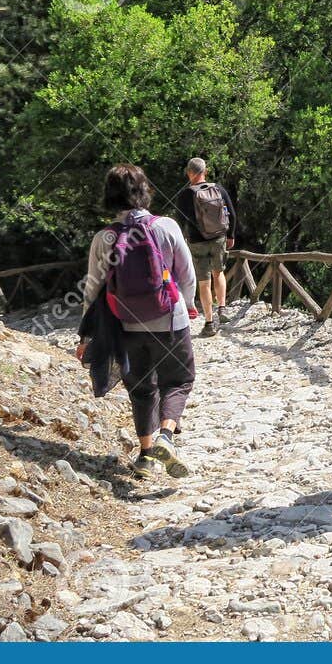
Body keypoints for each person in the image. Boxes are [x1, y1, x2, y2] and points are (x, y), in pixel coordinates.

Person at [79, 163, 197, 479]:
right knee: (179, 381)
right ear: (144, 191)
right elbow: (187, 275)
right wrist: (186, 307)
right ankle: (166, 437)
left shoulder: (104, 238)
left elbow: (92, 290)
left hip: (126, 325)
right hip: (170, 321)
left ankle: (145, 458)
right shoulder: (166, 226)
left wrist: (86, 335)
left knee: (142, 388)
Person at [172, 157, 236, 338]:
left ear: (189, 173)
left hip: (197, 241)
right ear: (205, 171)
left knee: (204, 282)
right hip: (219, 238)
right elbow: (232, 212)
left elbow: (179, 221)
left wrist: (182, 241)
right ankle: (222, 308)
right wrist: (230, 235)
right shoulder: (219, 189)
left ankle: (209, 323)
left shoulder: (185, 195)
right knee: (219, 272)